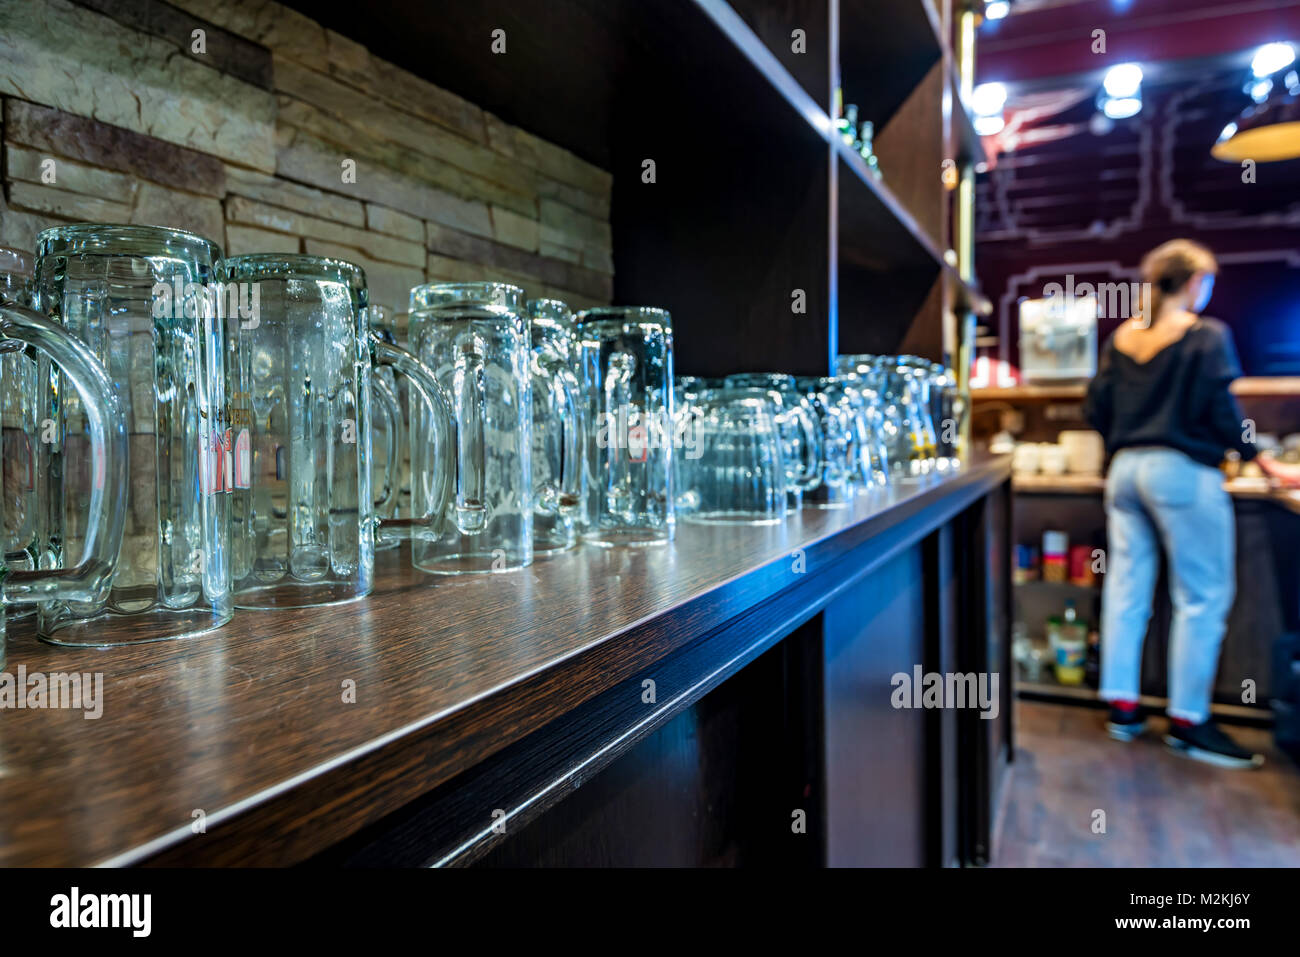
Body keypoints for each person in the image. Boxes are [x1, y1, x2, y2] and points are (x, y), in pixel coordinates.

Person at [1084, 239, 1300, 769]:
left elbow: (1095, 408)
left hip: (1125, 471)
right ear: (1194, 283)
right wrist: (1263, 461)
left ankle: (1123, 707)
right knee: (1201, 597)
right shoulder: (1205, 336)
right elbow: (1225, 413)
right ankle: (1188, 719)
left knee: (1126, 590)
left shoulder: (1122, 338)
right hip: (1180, 473)